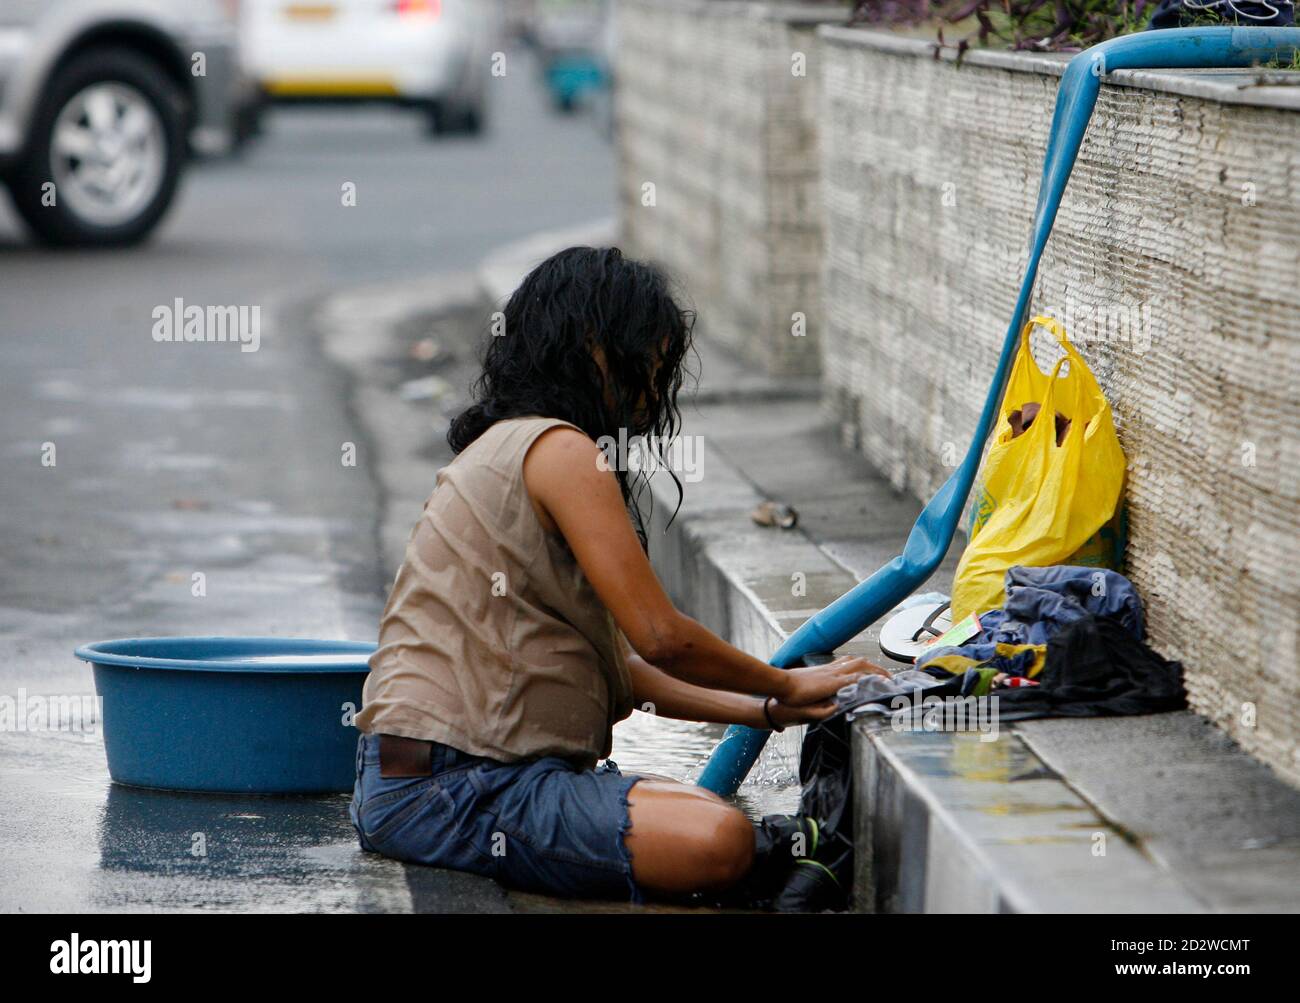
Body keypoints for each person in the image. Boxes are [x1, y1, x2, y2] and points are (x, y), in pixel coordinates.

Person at [350, 246, 882, 903]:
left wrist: (771, 708)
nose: (650, 398)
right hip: (451, 789)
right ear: (597, 350)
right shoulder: (561, 450)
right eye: (647, 368)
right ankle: (793, 863)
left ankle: (788, 860)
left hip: (443, 781)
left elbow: (623, 675)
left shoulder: (515, 446)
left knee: (698, 818)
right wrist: (783, 679)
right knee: (718, 839)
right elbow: (662, 637)